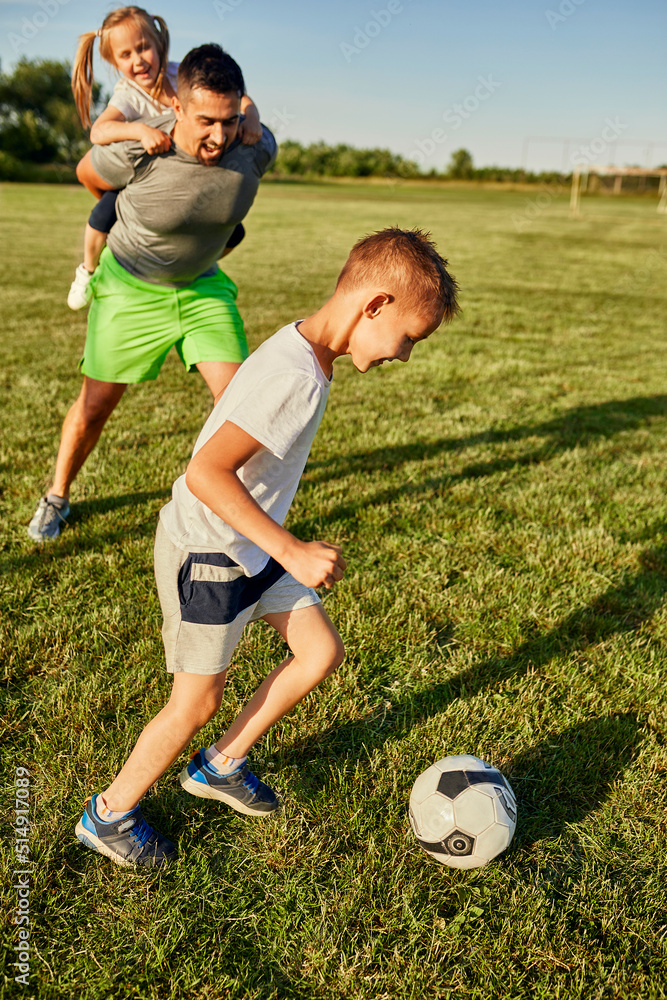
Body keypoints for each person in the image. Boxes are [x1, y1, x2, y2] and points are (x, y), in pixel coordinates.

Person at [74, 227, 460, 868]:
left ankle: (220, 767)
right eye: (409, 338)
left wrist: (277, 548)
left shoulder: (307, 350)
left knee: (318, 651)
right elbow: (206, 473)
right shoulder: (296, 379)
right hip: (211, 554)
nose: (406, 355)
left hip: (251, 549)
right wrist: (294, 549)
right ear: (374, 306)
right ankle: (109, 813)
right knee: (195, 702)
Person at [28, 43, 277, 543]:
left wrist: (252, 121)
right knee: (96, 405)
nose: (219, 135)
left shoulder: (256, 147)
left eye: (229, 120)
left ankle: (226, 513)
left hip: (202, 288)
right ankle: (56, 496)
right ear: (177, 108)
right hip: (130, 286)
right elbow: (86, 173)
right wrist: (133, 213)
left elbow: (249, 136)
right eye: (206, 121)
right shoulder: (140, 149)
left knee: (239, 405)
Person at [67, 6, 261, 310]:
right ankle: (88, 270)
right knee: (102, 215)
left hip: (187, 176)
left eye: (144, 48)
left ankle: (197, 262)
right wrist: (140, 131)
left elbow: (235, 93)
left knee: (234, 231)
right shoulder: (128, 94)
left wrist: (251, 115)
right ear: (113, 61)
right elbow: (99, 132)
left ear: (159, 45)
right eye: (126, 55)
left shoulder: (181, 73)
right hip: (140, 179)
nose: (138, 60)